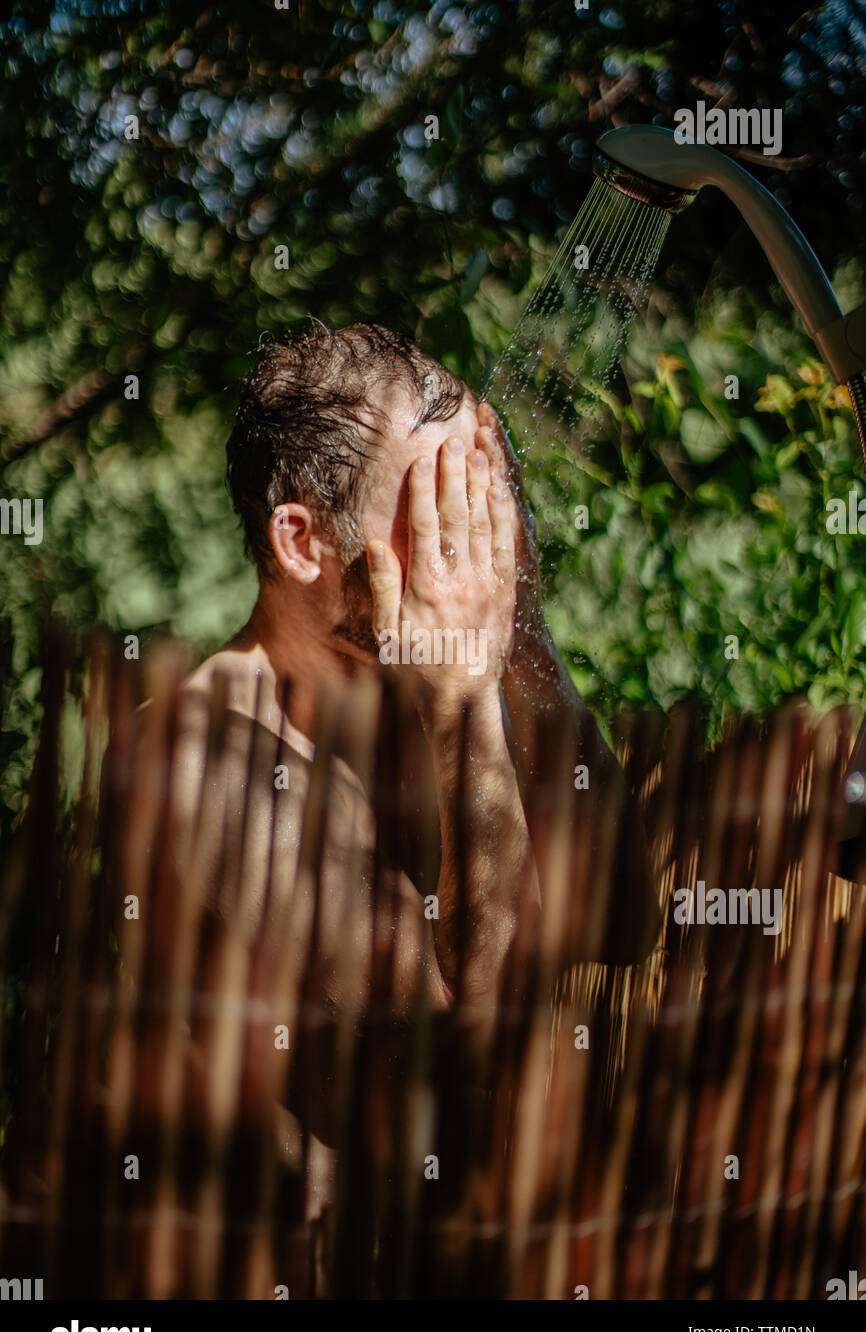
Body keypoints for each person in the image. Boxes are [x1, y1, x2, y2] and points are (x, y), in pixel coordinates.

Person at [130, 322, 658, 1276]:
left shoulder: (408, 688)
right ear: (302, 542)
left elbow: (626, 926)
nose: (472, 553)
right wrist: (464, 714)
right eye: (434, 514)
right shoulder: (196, 761)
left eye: (480, 503)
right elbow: (481, 1071)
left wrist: (525, 639)